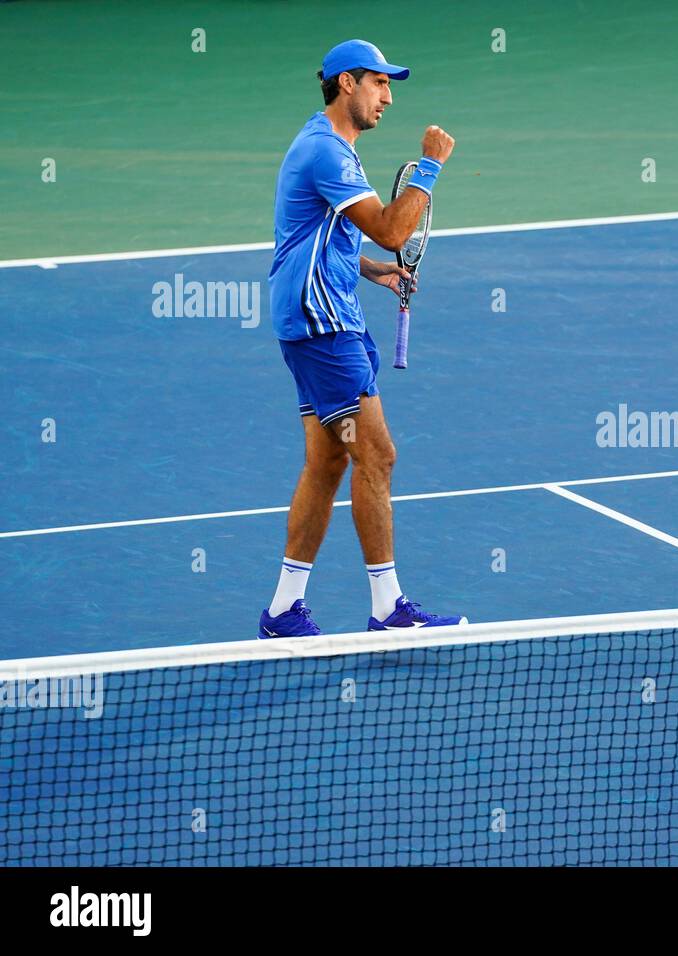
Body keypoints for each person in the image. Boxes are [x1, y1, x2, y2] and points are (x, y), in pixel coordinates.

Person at [259, 39, 464, 638]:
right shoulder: (327, 151)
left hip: (317, 320)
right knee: (377, 455)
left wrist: (374, 270)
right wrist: (429, 165)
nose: (388, 97)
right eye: (379, 83)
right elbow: (392, 227)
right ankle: (388, 608)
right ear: (346, 83)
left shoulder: (327, 145)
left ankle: (281, 610)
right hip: (324, 328)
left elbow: (319, 240)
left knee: (326, 462)